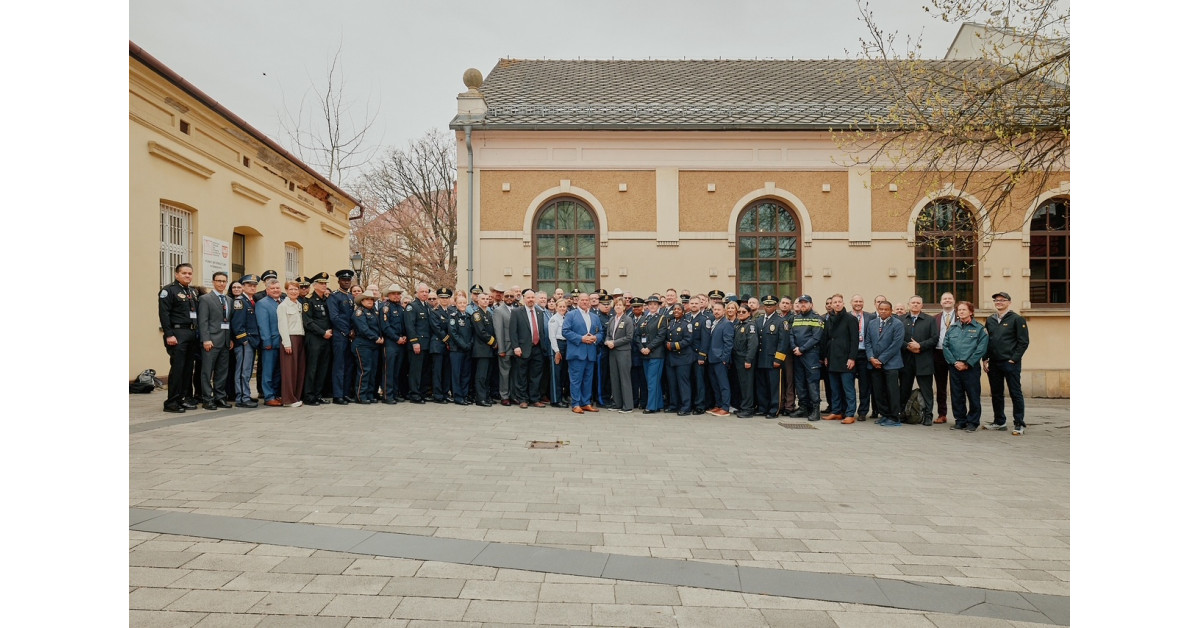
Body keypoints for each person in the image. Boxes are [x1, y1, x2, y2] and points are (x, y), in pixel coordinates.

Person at [983, 291, 1030, 435]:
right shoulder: (990, 320)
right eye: (996, 300)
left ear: (1009, 302)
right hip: (994, 363)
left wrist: (1014, 359)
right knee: (996, 393)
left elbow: (1023, 342)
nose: (999, 302)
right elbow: (987, 341)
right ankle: (999, 421)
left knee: (1015, 393)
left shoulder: (1017, 319)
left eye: (1002, 300)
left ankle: (1019, 423)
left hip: (1010, 363)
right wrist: (985, 358)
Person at [158, 262, 200, 413]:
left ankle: (183, 398)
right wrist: (169, 334)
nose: (187, 275)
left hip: (191, 334)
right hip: (177, 334)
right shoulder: (169, 290)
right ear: (176, 274)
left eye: (189, 273)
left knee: (188, 369)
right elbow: (164, 314)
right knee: (177, 368)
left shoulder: (193, 292)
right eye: (184, 273)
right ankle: (171, 402)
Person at [944, 301, 989, 431]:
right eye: (959, 310)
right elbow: (946, 346)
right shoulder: (952, 328)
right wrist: (954, 362)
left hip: (971, 368)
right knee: (957, 395)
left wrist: (967, 363)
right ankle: (960, 420)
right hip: (955, 367)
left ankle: (973, 422)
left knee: (973, 395)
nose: (961, 312)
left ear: (971, 312)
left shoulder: (980, 329)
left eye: (964, 310)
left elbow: (981, 349)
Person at [863, 300, 904, 426]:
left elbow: (896, 345)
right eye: (881, 309)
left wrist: (881, 359)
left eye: (886, 309)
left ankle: (894, 417)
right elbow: (868, 342)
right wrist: (871, 358)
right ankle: (885, 415)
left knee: (892, 391)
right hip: (874, 364)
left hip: (891, 364)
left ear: (891, 311)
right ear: (878, 310)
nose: (883, 311)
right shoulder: (872, 323)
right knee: (878, 391)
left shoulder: (897, 324)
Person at [562, 291, 604, 414]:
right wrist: (581, 338)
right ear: (578, 301)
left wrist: (595, 338)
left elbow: (601, 332)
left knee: (588, 380)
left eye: (587, 300)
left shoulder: (594, 317)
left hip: (590, 353)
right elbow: (565, 331)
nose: (585, 302)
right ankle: (575, 403)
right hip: (577, 353)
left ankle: (586, 403)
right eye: (582, 300)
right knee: (576, 380)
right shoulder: (571, 315)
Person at [196, 271, 233, 410]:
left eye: (224, 281)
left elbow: (228, 322)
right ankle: (207, 399)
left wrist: (229, 339)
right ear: (213, 282)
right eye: (218, 281)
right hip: (210, 342)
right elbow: (203, 321)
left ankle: (220, 397)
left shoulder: (229, 300)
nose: (221, 283)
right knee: (207, 371)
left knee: (222, 372)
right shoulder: (205, 299)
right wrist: (206, 339)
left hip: (224, 342)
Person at [900, 296, 938, 426]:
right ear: (908, 304)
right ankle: (903, 413)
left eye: (918, 303)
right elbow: (897, 337)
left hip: (924, 359)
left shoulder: (930, 320)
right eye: (913, 303)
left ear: (922, 305)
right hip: (906, 360)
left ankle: (928, 415)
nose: (915, 305)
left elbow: (934, 339)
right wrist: (909, 346)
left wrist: (920, 346)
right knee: (904, 389)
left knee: (926, 390)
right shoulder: (901, 320)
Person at [509, 288, 549, 408]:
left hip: (537, 348)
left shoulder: (539, 313)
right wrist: (516, 346)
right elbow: (513, 331)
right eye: (528, 297)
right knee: (522, 375)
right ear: (524, 299)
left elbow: (541, 331)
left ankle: (534, 399)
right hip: (523, 348)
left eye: (532, 298)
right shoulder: (516, 312)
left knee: (536, 376)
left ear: (535, 299)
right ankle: (523, 399)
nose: (531, 300)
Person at [823, 294, 859, 422]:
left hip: (846, 359)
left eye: (839, 302)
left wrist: (852, 358)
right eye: (835, 302)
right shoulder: (829, 319)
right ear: (831, 305)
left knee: (848, 389)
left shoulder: (851, 319)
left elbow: (855, 340)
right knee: (835, 388)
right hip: (832, 358)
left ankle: (850, 414)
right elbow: (826, 339)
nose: (837, 304)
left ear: (843, 303)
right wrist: (826, 356)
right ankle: (837, 411)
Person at [788, 295, 824, 421]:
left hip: (811, 355)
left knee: (812, 383)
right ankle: (803, 408)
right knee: (800, 382)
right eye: (801, 303)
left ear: (811, 304)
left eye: (805, 303)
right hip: (797, 355)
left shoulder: (817, 319)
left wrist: (801, 349)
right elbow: (791, 334)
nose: (803, 305)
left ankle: (815, 410)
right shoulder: (796, 318)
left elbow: (816, 338)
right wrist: (795, 348)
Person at [754, 295, 790, 419]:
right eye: (766, 305)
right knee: (762, 385)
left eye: (771, 305)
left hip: (773, 359)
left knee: (774, 386)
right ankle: (763, 407)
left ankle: (774, 409)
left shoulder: (781, 321)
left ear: (775, 306)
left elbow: (783, 342)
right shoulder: (758, 320)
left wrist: (778, 359)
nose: (768, 307)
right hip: (760, 358)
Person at [302, 272, 333, 406]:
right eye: (322, 283)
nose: (324, 285)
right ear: (315, 286)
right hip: (315, 338)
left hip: (327, 339)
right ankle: (309, 396)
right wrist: (322, 332)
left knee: (323, 368)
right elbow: (308, 322)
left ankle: (318, 394)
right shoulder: (309, 300)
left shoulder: (326, 300)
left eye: (325, 283)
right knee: (313, 368)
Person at [229, 276, 259, 407]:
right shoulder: (240, 302)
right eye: (249, 285)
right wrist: (244, 340)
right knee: (242, 371)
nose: (252, 287)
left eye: (254, 285)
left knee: (247, 371)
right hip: (244, 343)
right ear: (243, 286)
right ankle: (242, 398)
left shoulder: (250, 301)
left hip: (251, 341)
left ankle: (245, 394)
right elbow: (237, 324)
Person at [328, 269, 357, 405]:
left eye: (348, 280)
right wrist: (347, 331)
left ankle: (345, 393)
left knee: (349, 365)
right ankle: (337, 395)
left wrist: (353, 330)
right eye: (344, 280)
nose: (346, 282)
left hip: (350, 336)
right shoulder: (334, 296)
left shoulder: (351, 297)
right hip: (340, 335)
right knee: (339, 365)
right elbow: (334, 317)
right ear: (339, 281)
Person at [277, 280, 307, 407]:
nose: (294, 292)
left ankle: (296, 396)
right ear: (286, 291)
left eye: (296, 289)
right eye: (291, 289)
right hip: (290, 338)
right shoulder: (283, 306)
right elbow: (282, 326)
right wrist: (287, 343)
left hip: (301, 338)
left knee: (299, 369)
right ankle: (288, 399)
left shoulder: (299, 304)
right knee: (289, 371)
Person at [255, 278, 284, 406]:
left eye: (277, 288)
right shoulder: (262, 303)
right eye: (272, 288)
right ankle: (268, 396)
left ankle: (277, 394)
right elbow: (263, 325)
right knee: (268, 371)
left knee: (278, 371)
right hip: (270, 343)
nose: (276, 290)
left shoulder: (283, 302)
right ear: (267, 290)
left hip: (282, 343)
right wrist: (266, 342)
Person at [664, 303, 696, 416]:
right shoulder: (671, 323)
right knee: (672, 383)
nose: (676, 311)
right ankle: (674, 405)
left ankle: (686, 407)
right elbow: (665, 337)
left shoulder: (687, 324)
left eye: (678, 309)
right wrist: (666, 343)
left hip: (683, 358)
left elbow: (688, 340)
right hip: (671, 358)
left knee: (683, 383)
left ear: (683, 312)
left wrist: (672, 345)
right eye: (674, 309)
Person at [604, 297, 635, 413]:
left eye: (620, 305)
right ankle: (617, 403)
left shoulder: (628, 320)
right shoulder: (612, 319)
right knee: (615, 377)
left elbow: (629, 337)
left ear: (624, 307)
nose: (618, 307)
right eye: (616, 305)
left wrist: (614, 343)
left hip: (623, 352)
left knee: (624, 378)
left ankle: (627, 406)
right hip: (612, 352)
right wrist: (607, 342)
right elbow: (608, 334)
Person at [931, 292, 957, 424]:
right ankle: (942, 414)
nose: (947, 301)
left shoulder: (960, 316)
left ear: (954, 301)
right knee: (941, 386)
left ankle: (959, 415)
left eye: (949, 298)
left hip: (955, 355)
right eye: (944, 299)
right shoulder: (935, 318)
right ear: (941, 302)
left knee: (956, 386)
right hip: (939, 353)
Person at [404, 283, 432, 403]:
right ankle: (414, 394)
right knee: (416, 371)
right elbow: (410, 326)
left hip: (427, 344)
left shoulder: (428, 306)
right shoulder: (412, 306)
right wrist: (415, 342)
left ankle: (423, 392)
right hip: (418, 344)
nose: (425, 294)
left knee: (425, 370)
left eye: (426, 292)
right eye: (422, 292)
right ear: (417, 293)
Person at [706, 298, 734, 417]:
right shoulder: (714, 322)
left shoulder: (726, 324)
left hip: (720, 359)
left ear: (724, 311)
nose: (716, 311)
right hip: (712, 358)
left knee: (723, 384)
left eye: (719, 310)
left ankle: (725, 407)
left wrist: (724, 358)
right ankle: (718, 405)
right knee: (715, 384)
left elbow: (728, 343)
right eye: (715, 309)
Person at [380, 284, 408, 404]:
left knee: (397, 370)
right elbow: (385, 327)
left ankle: (395, 393)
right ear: (388, 295)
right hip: (391, 342)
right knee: (389, 370)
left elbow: (405, 325)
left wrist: (405, 336)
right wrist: (397, 338)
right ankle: (387, 395)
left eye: (398, 294)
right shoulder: (386, 308)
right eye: (394, 294)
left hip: (401, 342)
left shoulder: (401, 308)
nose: (397, 296)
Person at [849, 294, 874, 420]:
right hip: (850, 355)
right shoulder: (847, 317)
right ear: (851, 303)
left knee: (865, 385)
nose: (858, 303)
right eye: (855, 301)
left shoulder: (871, 317)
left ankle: (863, 411)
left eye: (860, 301)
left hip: (864, 354)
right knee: (849, 383)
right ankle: (849, 410)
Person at [732, 303, 759, 418]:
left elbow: (753, 344)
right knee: (741, 384)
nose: (741, 314)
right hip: (737, 359)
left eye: (744, 312)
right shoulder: (738, 325)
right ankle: (743, 406)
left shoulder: (750, 325)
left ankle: (748, 408)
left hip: (745, 359)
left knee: (747, 385)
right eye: (739, 312)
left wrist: (748, 359)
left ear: (749, 313)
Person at [471, 293, 498, 406]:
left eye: (487, 299)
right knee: (481, 375)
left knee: (487, 375)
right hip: (482, 349)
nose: (485, 301)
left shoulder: (488, 314)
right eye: (483, 299)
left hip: (489, 350)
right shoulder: (477, 315)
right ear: (478, 300)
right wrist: (494, 342)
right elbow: (481, 332)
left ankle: (486, 396)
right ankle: (480, 398)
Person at [448, 294, 473, 405]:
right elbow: (453, 333)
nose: (462, 305)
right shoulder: (453, 316)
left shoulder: (468, 316)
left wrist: (470, 344)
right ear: (456, 304)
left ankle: (465, 395)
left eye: (464, 303)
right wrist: (464, 345)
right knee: (456, 374)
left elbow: (473, 333)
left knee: (466, 373)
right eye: (460, 303)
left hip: (467, 349)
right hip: (457, 350)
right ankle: (458, 397)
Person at [548, 298, 569, 407]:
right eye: (560, 306)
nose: (562, 308)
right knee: (556, 375)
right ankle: (555, 400)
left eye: (564, 307)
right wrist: (556, 351)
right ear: (556, 308)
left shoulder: (566, 318)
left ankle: (561, 397)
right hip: (557, 345)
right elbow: (552, 336)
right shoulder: (554, 319)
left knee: (563, 374)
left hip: (566, 345)